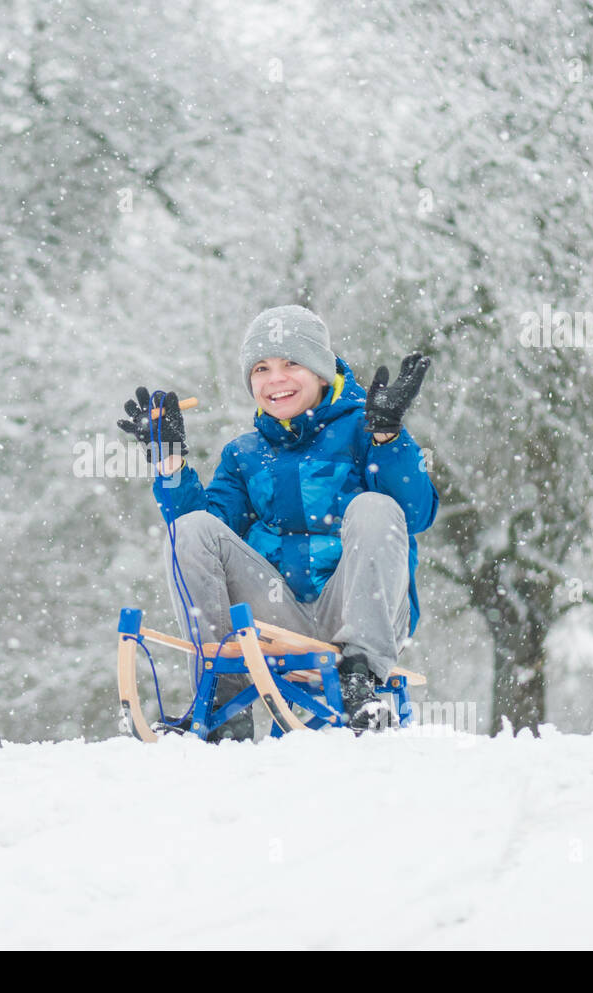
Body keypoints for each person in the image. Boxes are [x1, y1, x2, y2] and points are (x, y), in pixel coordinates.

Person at [117, 305, 438, 740]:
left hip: (356, 608)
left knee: (375, 507)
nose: (276, 379)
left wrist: (387, 438)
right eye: (262, 368)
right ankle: (222, 698)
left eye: (292, 363)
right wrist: (170, 464)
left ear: (322, 372)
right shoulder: (244, 454)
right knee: (188, 530)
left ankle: (360, 676)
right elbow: (205, 542)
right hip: (275, 615)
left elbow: (414, 516)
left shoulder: (367, 429)